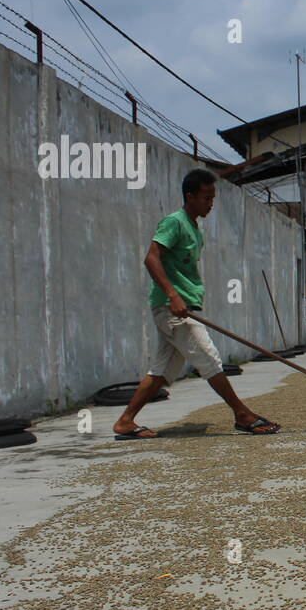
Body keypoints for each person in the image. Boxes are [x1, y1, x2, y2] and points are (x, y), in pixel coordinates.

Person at [112, 168, 281, 439]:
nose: (211, 203)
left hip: (183, 306)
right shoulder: (174, 222)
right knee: (210, 359)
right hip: (173, 309)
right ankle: (242, 414)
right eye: (206, 198)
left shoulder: (194, 228)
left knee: (161, 370)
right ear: (189, 197)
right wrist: (173, 296)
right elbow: (151, 258)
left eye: (213, 198)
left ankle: (126, 420)